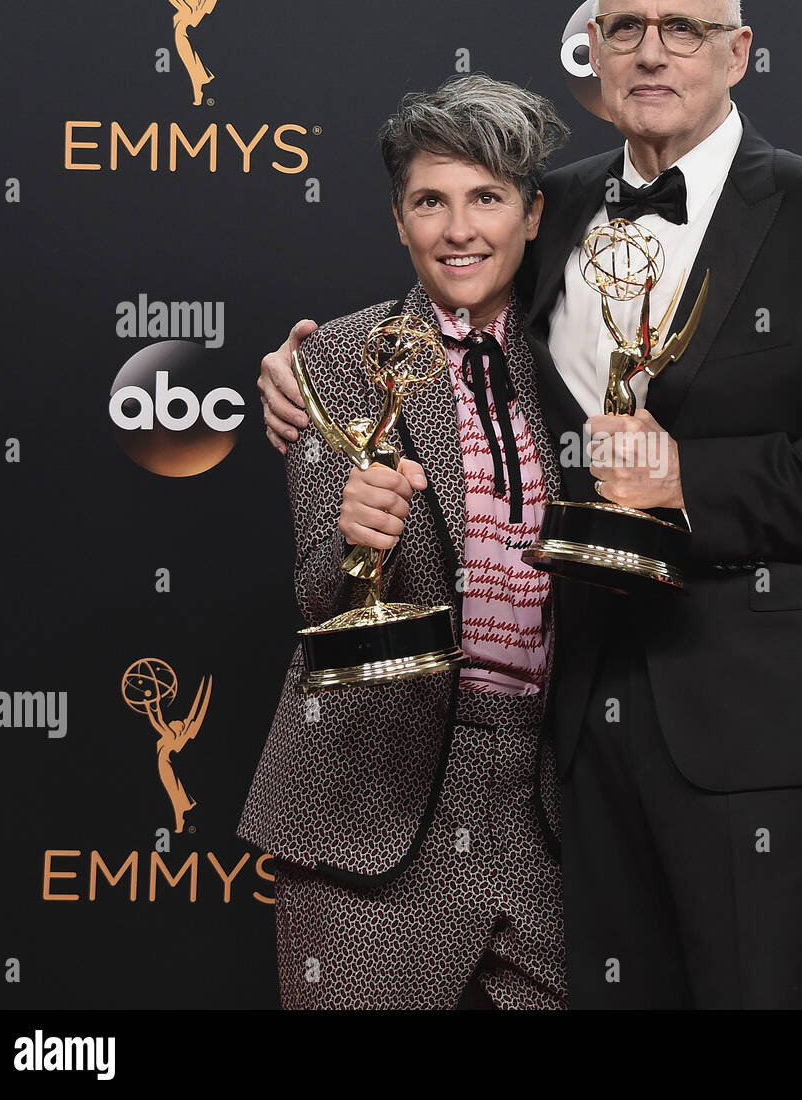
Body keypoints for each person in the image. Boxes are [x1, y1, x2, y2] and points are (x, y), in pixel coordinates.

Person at [260, 0, 802, 1009]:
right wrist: (306, 374)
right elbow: (441, 315)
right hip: (586, 734)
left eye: (684, 29)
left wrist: (688, 482)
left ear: (739, 53)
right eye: (623, 28)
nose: (652, 52)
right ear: (593, 52)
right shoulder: (555, 208)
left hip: (767, 725)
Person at [238, 75, 571, 1009]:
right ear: (399, 222)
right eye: (431, 201)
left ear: (533, 213)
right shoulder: (337, 359)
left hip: (549, 803)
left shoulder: (581, 363)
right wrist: (355, 541)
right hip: (369, 795)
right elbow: (319, 600)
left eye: (487, 198)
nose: (459, 229)